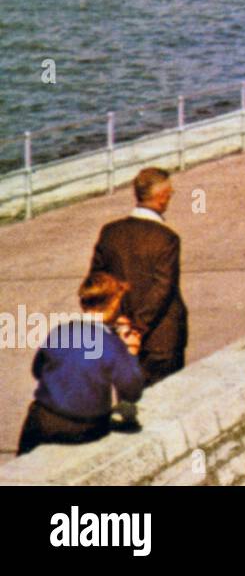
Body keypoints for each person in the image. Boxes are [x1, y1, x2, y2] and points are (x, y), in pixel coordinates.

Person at [17, 272, 145, 455]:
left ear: (83, 303)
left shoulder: (60, 332)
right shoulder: (112, 345)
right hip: (86, 427)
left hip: (46, 420)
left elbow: (37, 370)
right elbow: (132, 391)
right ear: (114, 304)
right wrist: (131, 353)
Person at [87, 167, 187, 386]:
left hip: (120, 337)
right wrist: (138, 326)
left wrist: (118, 320)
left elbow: (95, 284)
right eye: (170, 194)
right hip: (162, 340)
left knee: (129, 401)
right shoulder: (166, 238)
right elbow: (163, 288)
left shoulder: (110, 232)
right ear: (161, 198)